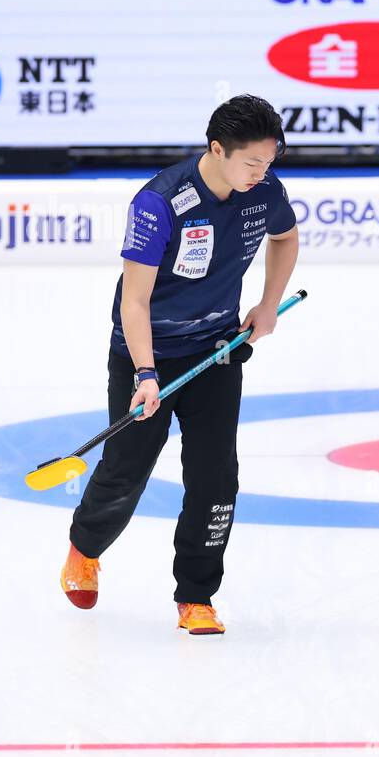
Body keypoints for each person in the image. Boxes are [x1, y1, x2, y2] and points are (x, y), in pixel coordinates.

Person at [59, 94, 300, 635]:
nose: (263, 174)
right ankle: (85, 548)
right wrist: (145, 374)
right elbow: (135, 301)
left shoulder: (264, 191)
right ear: (217, 149)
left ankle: (195, 596)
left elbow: (285, 239)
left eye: (270, 162)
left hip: (216, 352)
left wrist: (267, 303)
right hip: (147, 355)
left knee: (216, 479)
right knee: (127, 471)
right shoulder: (160, 202)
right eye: (252, 163)